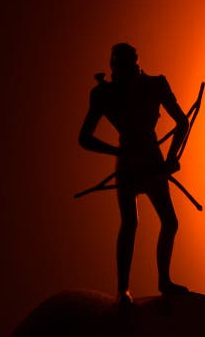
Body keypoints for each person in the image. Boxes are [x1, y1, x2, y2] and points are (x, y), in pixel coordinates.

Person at [79, 43, 189, 305]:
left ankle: (164, 281)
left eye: (126, 68)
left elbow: (182, 122)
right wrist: (119, 151)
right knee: (130, 223)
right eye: (117, 69)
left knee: (169, 222)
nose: (121, 75)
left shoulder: (156, 84)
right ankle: (123, 290)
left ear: (135, 64)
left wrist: (171, 158)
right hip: (130, 163)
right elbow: (84, 138)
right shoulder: (103, 93)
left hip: (151, 160)